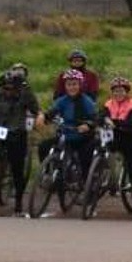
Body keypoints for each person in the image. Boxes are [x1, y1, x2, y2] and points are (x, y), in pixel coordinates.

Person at [0, 72, 40, 215]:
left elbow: (36, 110)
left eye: (11, 88)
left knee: (17, 169)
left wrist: (39, 117)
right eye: (6, 88)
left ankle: (18, 200)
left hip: (16, 132)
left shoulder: (25, 94)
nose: (8, 91)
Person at [39, 70, 98, 217]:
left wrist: (88, 125)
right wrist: (43, 117)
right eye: (69, 84)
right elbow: (51, 112)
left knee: (85, 159)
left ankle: (86, 186)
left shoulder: (87, 101)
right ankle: (47, 174)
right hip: (66, 135)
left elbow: (95, 118)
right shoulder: (62, 100)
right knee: (43, 146)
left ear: (80, 85)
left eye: (75, 84)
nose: (72, 87)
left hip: (83, 138)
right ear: (65, 86)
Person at [102, 77, 132, 211]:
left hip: (131, 139)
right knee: (96, 150)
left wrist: (114, 123)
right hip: (114, 138)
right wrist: (102, 121)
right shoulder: (108, 104)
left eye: (121, 91)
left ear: (127, 92)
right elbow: (100, 116)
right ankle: (100, 181)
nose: (118, 94)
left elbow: (131, 123)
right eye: (115, 91)